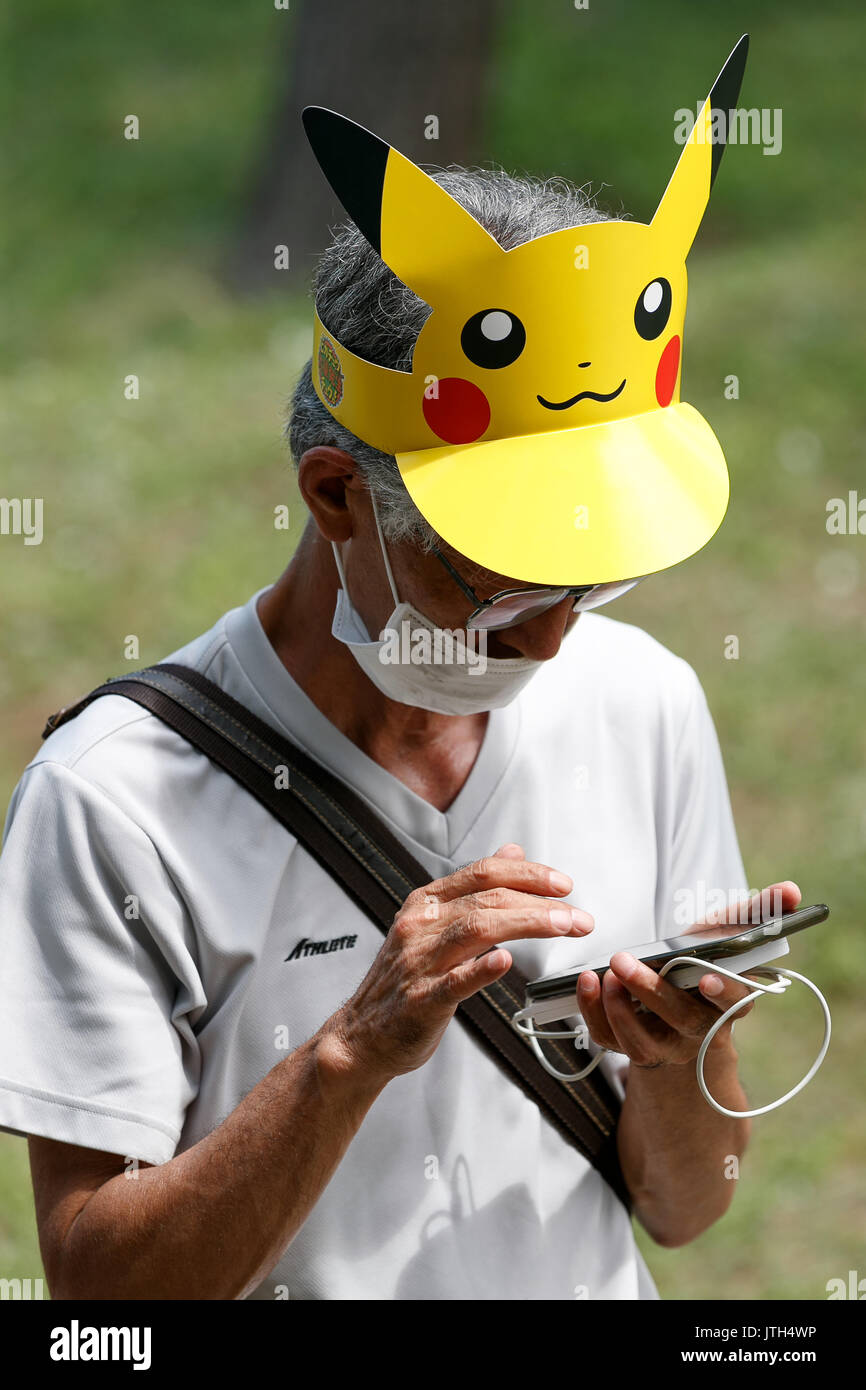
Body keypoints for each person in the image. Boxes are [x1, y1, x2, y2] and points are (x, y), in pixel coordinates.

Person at [3, 48, 795, 1301]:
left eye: (586, 579)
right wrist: (351, 1053)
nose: (550, 638)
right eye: (499, 580)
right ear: (336, 497)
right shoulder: (111, 800)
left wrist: (679, 1059)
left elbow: (686, 1209)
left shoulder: (643, 700)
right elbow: (102, 1303)